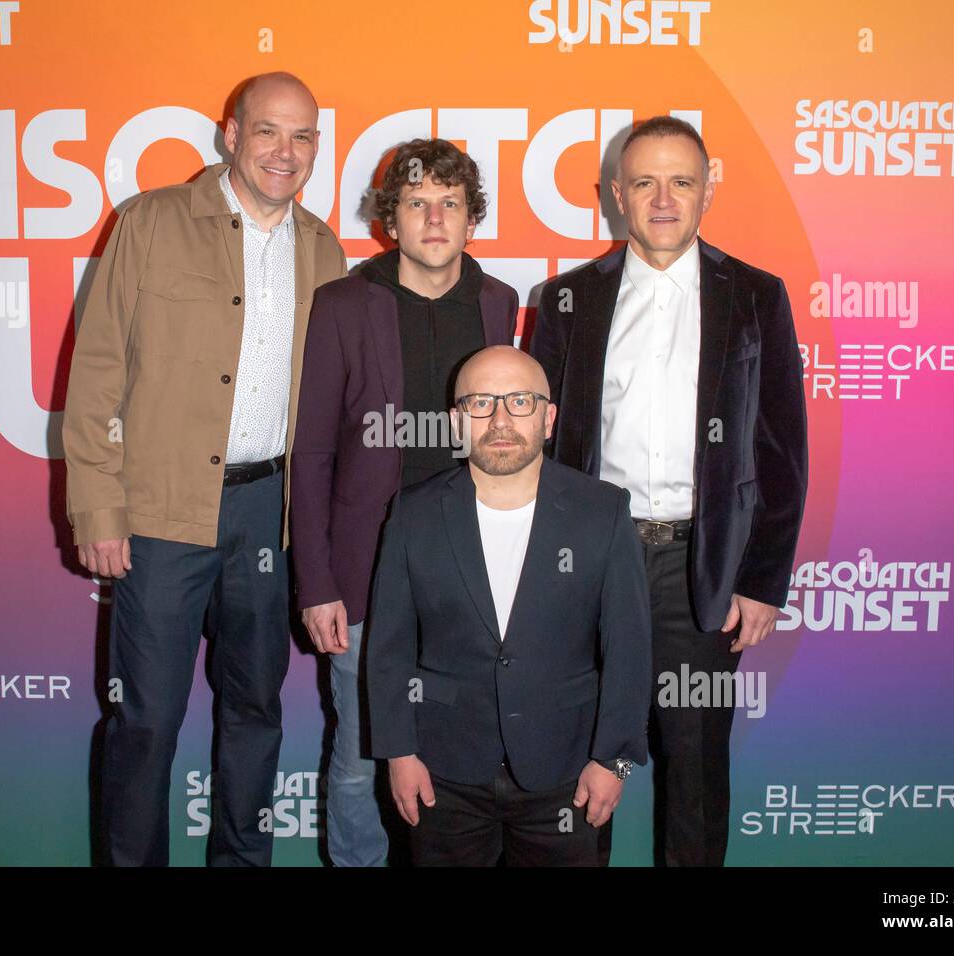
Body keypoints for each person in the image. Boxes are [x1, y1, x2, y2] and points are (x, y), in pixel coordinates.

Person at [62, 72, 347, 866]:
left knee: (256, 709)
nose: (284, 153)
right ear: (230, 134)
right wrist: (98, 507)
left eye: (302, 137)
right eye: (266, 132)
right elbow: (95, 373)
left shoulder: (324, 246)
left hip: (269, 512)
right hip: (160, 513)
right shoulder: (151, 221)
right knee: (146, 716)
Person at [530, 116, 808, 866]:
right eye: (644, 182)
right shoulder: (563, 299)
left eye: (681, 181)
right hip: (589, 566)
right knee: (582, 765)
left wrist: (759, 579)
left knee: (695, 773)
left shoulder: (755, 296)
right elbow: (538, 452)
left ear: (708, 190)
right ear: (616, 194)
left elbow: (783, 453)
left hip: (703, 571)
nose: (662, 200)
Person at [291, 139, 518, 866]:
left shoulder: (497, 304)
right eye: (417, 202)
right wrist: (317, 582)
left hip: (466, 576)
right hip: (365, 576)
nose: (433, 218)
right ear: (390, 218)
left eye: (450, 203)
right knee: (361, 756)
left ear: (471, 217)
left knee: (453, 756)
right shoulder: (343, 305)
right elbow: (314, 453)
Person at [366, 346, 652, 866]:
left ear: (549, 418)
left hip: (567, 772)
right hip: (442, 771)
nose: (500, 419)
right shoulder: (413, 513)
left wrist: (612, 759)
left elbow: (629, 646)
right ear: (457, 422)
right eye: (480, 403)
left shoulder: (603, 511)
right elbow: (389, 645)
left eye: (520, 401)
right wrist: (398, 752)